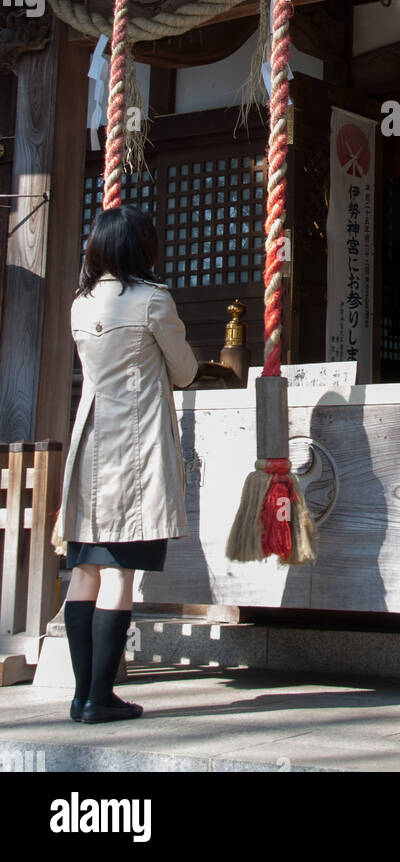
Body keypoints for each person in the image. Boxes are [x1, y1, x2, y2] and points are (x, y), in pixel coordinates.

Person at [55, 204, 199, 724]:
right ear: (142, 248)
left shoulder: (80, 304)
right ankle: (100, 696)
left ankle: (80, 694)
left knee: (86, 567)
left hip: (91, 441)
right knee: (120, 571)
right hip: (135, 447)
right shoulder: (152, 300)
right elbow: (183, 372)